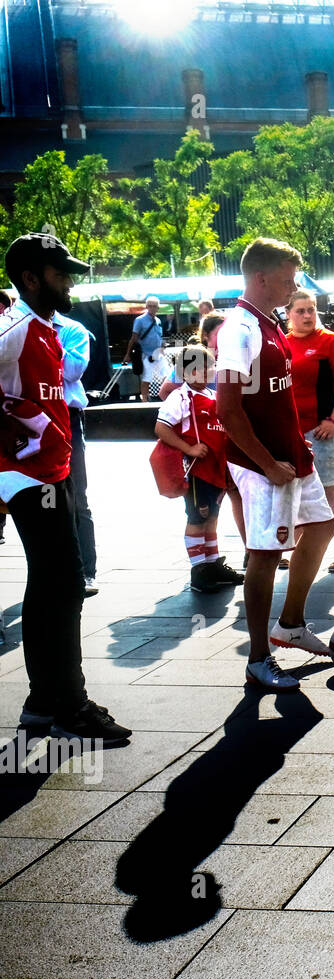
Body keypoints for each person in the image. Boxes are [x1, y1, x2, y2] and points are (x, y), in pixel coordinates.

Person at [0, 233, 129, 743]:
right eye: (61, 273)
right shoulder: (16, 332)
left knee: (53, 582)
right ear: (31, 279)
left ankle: (44, 699)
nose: (71, 279)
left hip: (46, 472)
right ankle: (69, 705)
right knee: (64, 581)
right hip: (32, 478)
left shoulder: (44, 329)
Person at [216, 238, 334, 689]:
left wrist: (294, 453)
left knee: (324, 527)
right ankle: (257, 659)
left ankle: (289, 623)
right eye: (287, 280)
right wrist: (266, 464)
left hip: (291, 457)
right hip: (262, 463)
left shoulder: (268, 324)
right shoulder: (238, 330)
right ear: (260, 278)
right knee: (265, 556)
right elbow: (227, 410)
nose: (293, 288)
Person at [155, 346, 244, 592]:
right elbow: (161, 428)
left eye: (209, 366)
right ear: (186, 372)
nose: (207, 372)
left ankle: (212, 564)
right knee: (198, 517)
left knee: (212, 518)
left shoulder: (213, 396)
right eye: (200, 368)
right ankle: (199, 570)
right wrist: (189, 448)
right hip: (197, 471)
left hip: (216, 469)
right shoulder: (180, 397)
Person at [285, 289, 334, 572]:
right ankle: (295, 551)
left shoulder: (331, 342)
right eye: (300, 311)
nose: (307, 315)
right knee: (294, 492)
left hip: (326, 431)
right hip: (293, 432)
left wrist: (333, 420)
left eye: (311, 310)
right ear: (288, 314)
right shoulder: (282, 343)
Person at [51, 309, 99, 597]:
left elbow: (72, 370)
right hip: (28, 415)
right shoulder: (17, 326)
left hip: (66, 416)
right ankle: (53, 570)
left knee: (76, 495)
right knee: (41, 498)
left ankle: (85, 572)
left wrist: (44, 339)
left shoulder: (71, 330)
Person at [122, 295, 167, 401]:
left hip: (158, 354)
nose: (152, 308)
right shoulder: (140, 320)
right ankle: (144, 402)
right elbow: (133, 338)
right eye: (150, 306)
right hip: (146, 354)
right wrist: (127, 355)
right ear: (146, 307)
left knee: (167, 375)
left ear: (158, 308)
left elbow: (158, 337)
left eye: (154, 306)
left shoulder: (158, 321)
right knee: (147, 378)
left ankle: (165, 398)